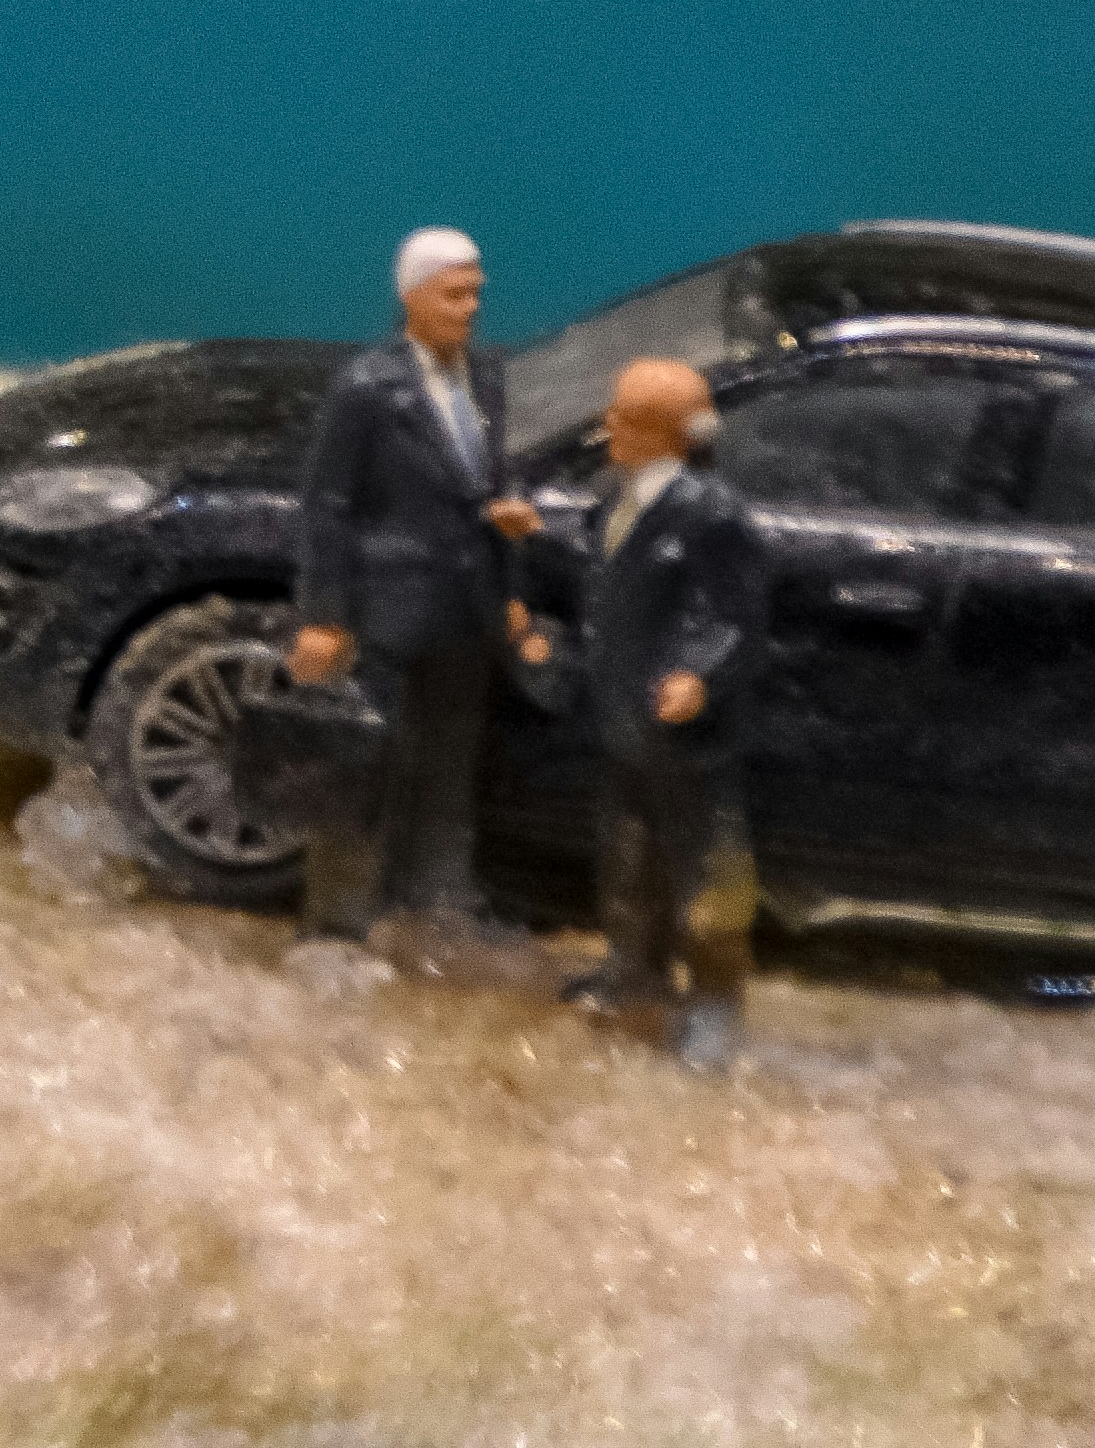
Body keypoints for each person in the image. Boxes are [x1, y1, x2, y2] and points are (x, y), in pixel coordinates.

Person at [283, 228, 543, 937]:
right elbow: (327, 504)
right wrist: (324, 613)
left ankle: (437, 899)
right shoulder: (368, 388)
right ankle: (338, 919)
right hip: (386, 608)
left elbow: (495, 474)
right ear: (412, 297)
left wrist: (513, 581)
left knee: (450, 764)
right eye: (452, 294)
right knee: (364, 769)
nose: (467, 308)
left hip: (466, 607)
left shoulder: (486, 378)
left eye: (473, 294)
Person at [563, 358, 765, 1063]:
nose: (607, 426)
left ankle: (712, 1003)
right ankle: (632, 967)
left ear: (659, 432)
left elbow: (731, 615)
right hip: (624, 722)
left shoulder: (712, 515)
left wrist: (697, 673)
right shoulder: (612, 501)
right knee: (625, 860)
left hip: (686, 740)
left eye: (622, 415)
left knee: (708, 881)